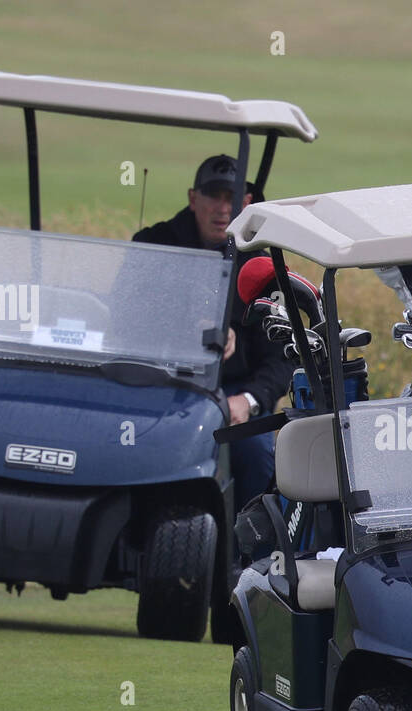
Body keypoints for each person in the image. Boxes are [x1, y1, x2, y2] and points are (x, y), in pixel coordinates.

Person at [133, 154, 293, 512]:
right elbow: (127, 319)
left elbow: (279, 358)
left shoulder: (259, 266)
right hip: (160, 384)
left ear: (247, 204)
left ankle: (236, 557)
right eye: (213, 197)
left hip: (228, 394)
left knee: (254, 452)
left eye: (231, 198)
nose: (223, 208)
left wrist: (249, 400)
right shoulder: (153, 244)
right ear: (193, 199)